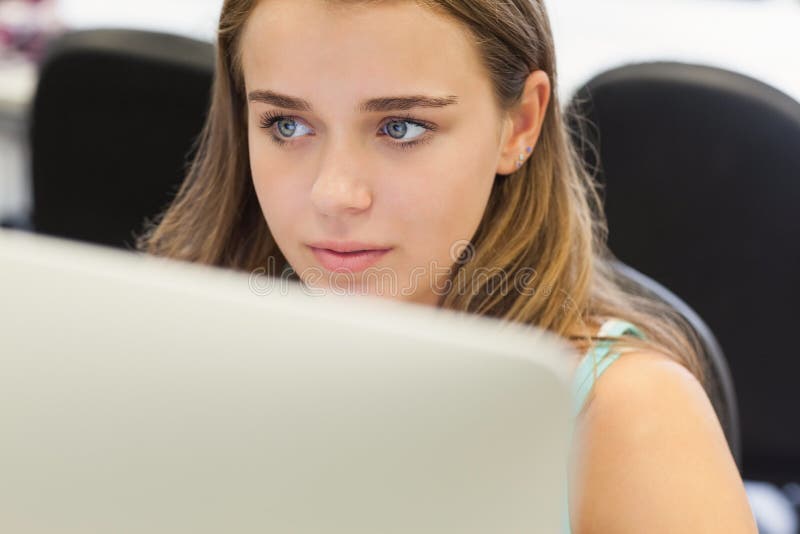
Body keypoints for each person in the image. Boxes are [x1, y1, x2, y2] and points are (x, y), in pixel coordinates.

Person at [136, 0, 758, 531]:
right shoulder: (174, 353)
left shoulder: (627, 419)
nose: (334, 193)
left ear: (520, 123)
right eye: (288, 124)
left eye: (401, 127)